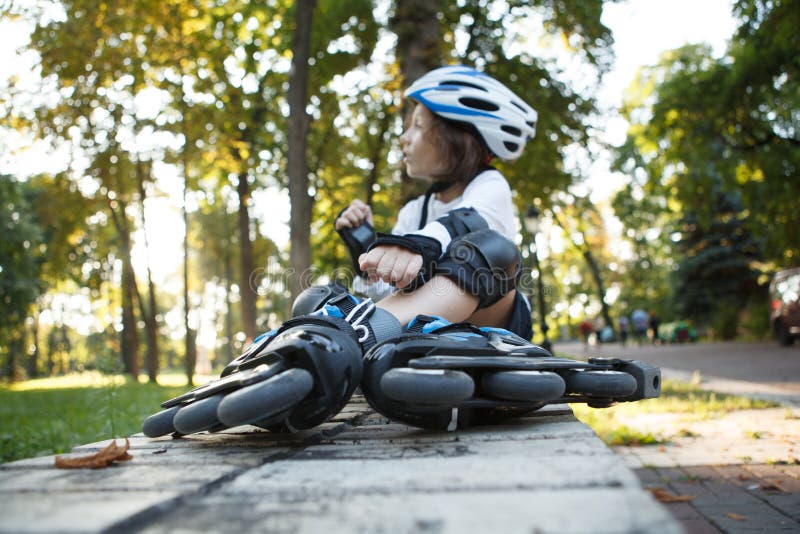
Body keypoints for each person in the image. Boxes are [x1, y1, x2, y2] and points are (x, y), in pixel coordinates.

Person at [335, 65, 538, 339]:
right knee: (322, 296)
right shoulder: (414, 212)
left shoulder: (490, 184)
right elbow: (394, 295)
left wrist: (419, 246)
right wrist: (367, 253)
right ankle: (348, 330)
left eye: (417, 126)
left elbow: (467, 223)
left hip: (495, 332)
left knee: (491, 249)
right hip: (424, 332)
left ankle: (357, 331)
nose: (404, 138)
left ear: (453, 139)